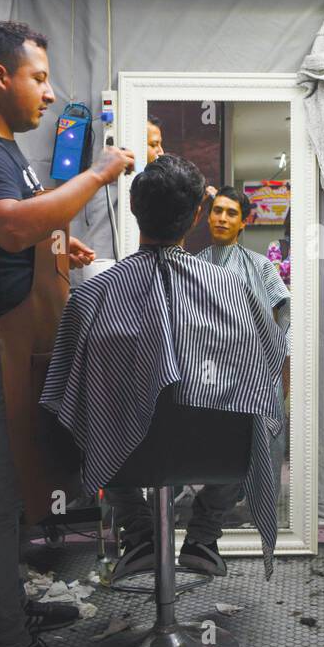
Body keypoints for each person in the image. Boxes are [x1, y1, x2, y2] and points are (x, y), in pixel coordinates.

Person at [0, 20, 134, 647]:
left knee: (17, 491)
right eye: (38, 78)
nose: (48, 94)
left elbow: (21, 226)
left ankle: (8, 608)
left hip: (5, 342)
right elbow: (12, 225)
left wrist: (56, 246)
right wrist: (100, 174)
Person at [41, 155, 287, 581]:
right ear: (197, 216)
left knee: (87, 414)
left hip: (124, 459)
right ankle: (202, 535)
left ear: (133, 208)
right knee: (261, 420)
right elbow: (267, 375)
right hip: (217, 455)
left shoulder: (90, 296)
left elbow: (61, 397)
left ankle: (139, 534)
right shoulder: (235, 290)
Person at [115, 186, 290, 577]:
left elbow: (279, 327)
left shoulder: (260, 268)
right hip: (193, 380)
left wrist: (272, 377)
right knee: (230, 438)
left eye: (232, 213)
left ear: (244, 222)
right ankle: (178, 534)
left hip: (238, 380)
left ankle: (199, 534)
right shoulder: (191, 266)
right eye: (216, 211)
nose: (223, 219)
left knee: (248, 433)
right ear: (202, 217)